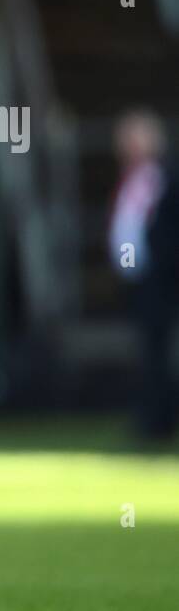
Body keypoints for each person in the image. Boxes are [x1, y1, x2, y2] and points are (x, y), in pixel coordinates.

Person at [109, 109, 179, 439]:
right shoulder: (132, 176)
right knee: (149, 348)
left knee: (159, 348)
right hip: (142, 278)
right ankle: (152, 416)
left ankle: (159, 419)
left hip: (161, 276)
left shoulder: (161, 175)